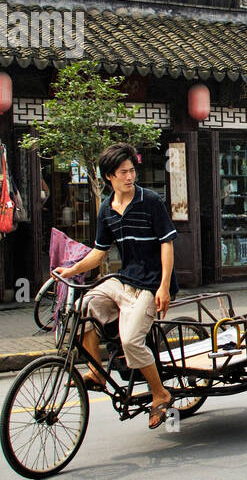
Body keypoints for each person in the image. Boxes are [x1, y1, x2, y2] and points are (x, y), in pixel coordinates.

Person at [54, 142, 177, 430]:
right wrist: (71, 270)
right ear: (109, 176)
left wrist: (164, 287)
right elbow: (99, 252)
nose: (130, 177)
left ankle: (160, 393)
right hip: (125, 280)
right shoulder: (107, 209)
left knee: (131, 340)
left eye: (132, 171)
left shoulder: (151, 201)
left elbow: (167, 244)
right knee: (82, 307)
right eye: (123, 172)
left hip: (150, 284)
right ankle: (96, 372)